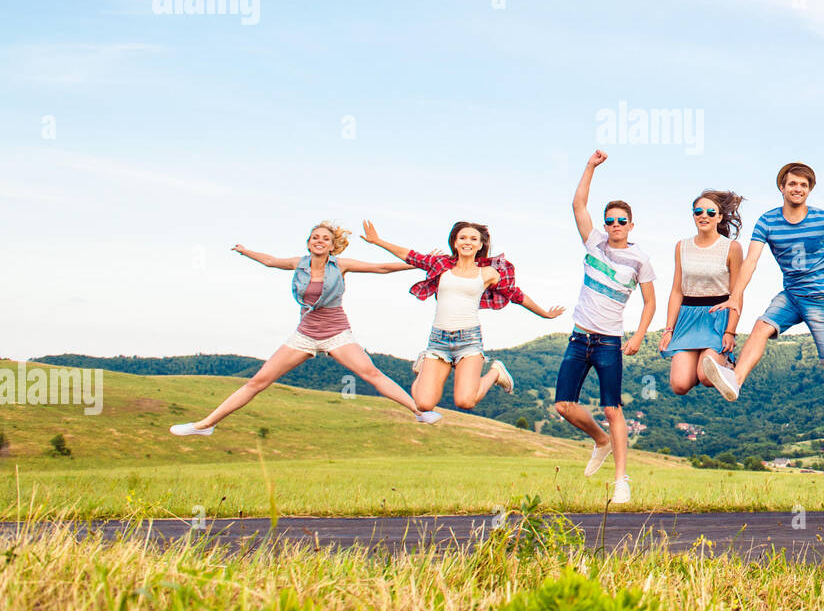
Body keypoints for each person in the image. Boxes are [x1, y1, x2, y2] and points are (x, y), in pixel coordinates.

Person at [170, 220, 437, 436]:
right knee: (258, 381)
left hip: (337, 333)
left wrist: (422, 264)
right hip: (305, 334)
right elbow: (270, 260)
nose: (319, 241)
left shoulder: (341, 265)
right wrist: (245, 250)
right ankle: (206, 425)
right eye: (315, 237)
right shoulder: (297, 264)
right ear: (309, 243)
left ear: (333, 246)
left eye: (325, 238)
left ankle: (418, 411)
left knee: (371, 374)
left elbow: (381, 268)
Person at [698, 162, 824, 399]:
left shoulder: (823, 220)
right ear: (782, 187)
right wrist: (735, 297)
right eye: (793, 183)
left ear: (810, 190)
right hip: (792, 295)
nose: (798, 189)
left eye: (804, 185)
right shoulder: (767, 221)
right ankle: (736, 381)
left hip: (820, 297)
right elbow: (751, 261)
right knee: (761, 326)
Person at [360, 219, 564, 412]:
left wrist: (544, 314)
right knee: (423, 404)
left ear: (480, 245)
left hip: (469, 340)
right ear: (455, 243)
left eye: (473, 239)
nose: (468, 242)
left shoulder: (488, 273)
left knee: (465, 401)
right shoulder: (440, 265)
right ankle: (423, 365)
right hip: (438, 340)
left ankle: (495, 372)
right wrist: (378, 241)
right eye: (463, 238)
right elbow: (410, 255)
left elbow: (517, 295)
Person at [556, 150, 656, 505]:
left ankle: (621, 481)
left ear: (631, 225)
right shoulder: (593, 242)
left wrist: (639, 335)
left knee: (613, 408)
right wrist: (590, 166)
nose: (614, 226)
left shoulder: (640, 259)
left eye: (621, 221)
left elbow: (651, 302)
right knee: (564, 405)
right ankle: (600, 440)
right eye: (610, 220)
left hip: (610, 343)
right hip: (579, 337)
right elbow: (578, 204)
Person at [658, 190, 744, 399]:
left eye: (710, 212)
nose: (703, 216)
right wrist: (669, 329)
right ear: (693, 215)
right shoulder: (682, 246)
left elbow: (737, 293)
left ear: (720, 217)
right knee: (679, 385)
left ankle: (728, 362)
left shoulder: (732, 248)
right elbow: (677, 290)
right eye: (698, 211)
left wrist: (730, 331)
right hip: (687, 318)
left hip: (716, 317)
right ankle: (698, 366)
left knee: (707, 377)